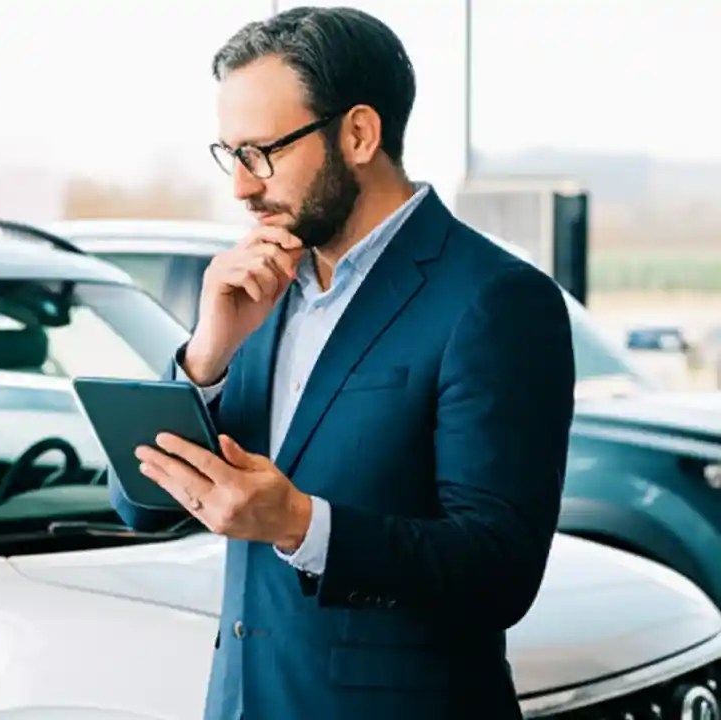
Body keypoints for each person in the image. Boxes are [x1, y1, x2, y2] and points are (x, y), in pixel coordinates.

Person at [107, 7, 576, 719]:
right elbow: (135, 507)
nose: (240, 185)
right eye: (229, 154)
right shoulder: (257, 290)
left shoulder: (496, 301)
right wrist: (206, 356)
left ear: (358, 134)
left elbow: (499, 571)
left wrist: (301, 523)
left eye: (260, 152)